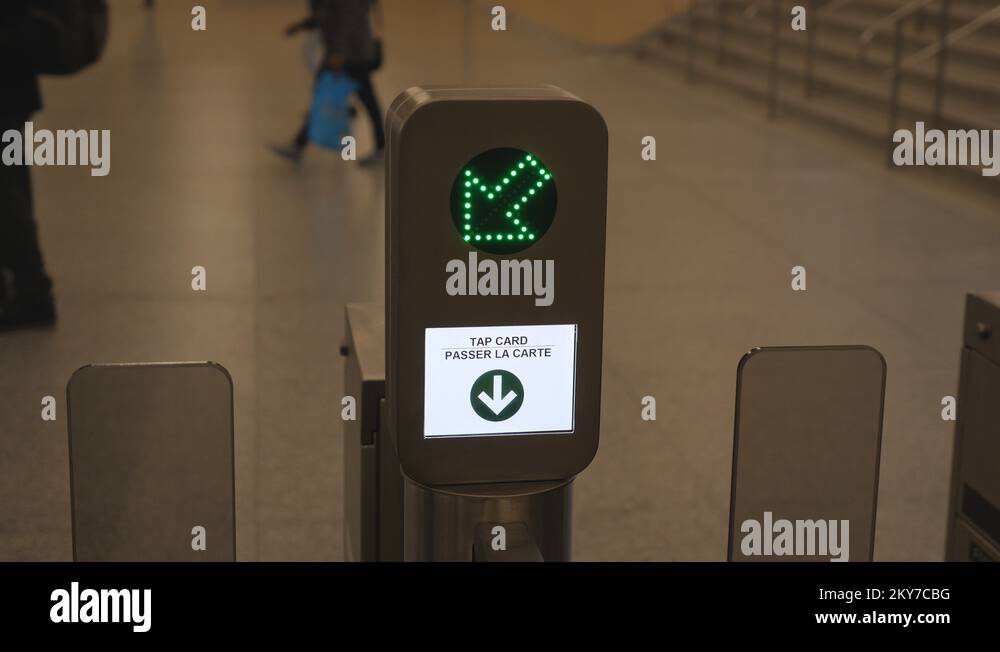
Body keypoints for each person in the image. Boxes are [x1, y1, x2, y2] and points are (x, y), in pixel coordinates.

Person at [271, 0, 385, 166]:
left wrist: (339, 52)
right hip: (349, 52)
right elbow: (329, 13)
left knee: (357, 98)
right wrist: (302, 25)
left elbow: (349, 19)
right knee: (334, 95)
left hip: (352, 54)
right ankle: (298, 144)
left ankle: (298, 144)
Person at [0, 1, 56, 330]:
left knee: (8, 191)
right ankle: (26, 286)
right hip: (12, 76)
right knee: (10, 185)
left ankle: (30, 288)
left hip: (7, 73)